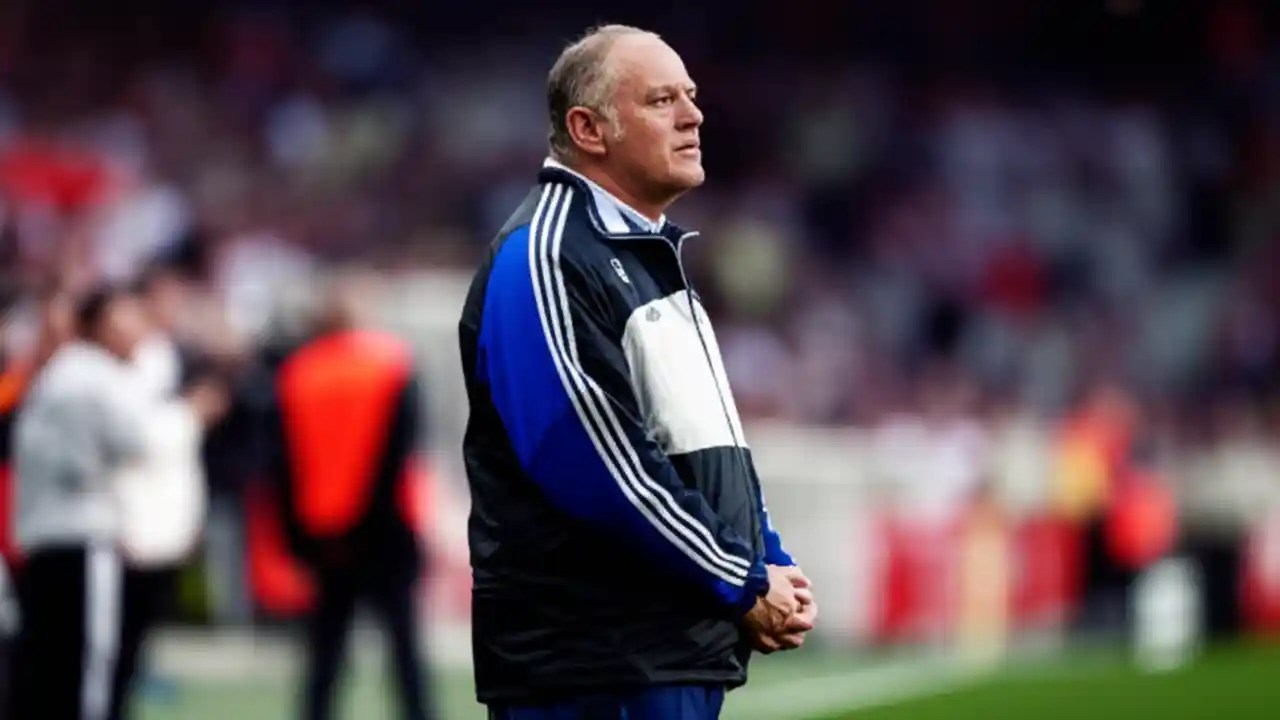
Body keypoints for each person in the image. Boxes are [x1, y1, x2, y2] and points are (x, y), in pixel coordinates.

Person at [458, 24, 816, 720]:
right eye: (661, 100)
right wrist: (743, 580)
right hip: (595, 665)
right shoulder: (548, 255)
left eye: (690, 95)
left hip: (656, 652)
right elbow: (600, 467)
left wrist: (770, 556)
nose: (694, 115)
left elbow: (709, 446)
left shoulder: (648, 258)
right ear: (589, 128)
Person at [268, 268, 432, 720]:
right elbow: (401, 452)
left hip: (324, 531)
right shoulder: (392, 365)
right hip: (386, 527)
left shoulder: (297, 372)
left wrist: (297, 534)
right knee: (403, 645)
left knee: (325, 649)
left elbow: (282, 461)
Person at [7, 284, 151, 720]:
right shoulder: (95, 375)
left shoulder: (57, 373)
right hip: (81, 535)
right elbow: (137, 440)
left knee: (42, 671)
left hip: (41, 539)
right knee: (88, 668)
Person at [107, 264, 228, 720]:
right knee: (118, 639)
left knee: (135, 635)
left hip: (158, 520)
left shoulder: (166, 355)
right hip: (130, 519)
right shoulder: (133, 363)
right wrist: (190, 415)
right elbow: (134, 439)